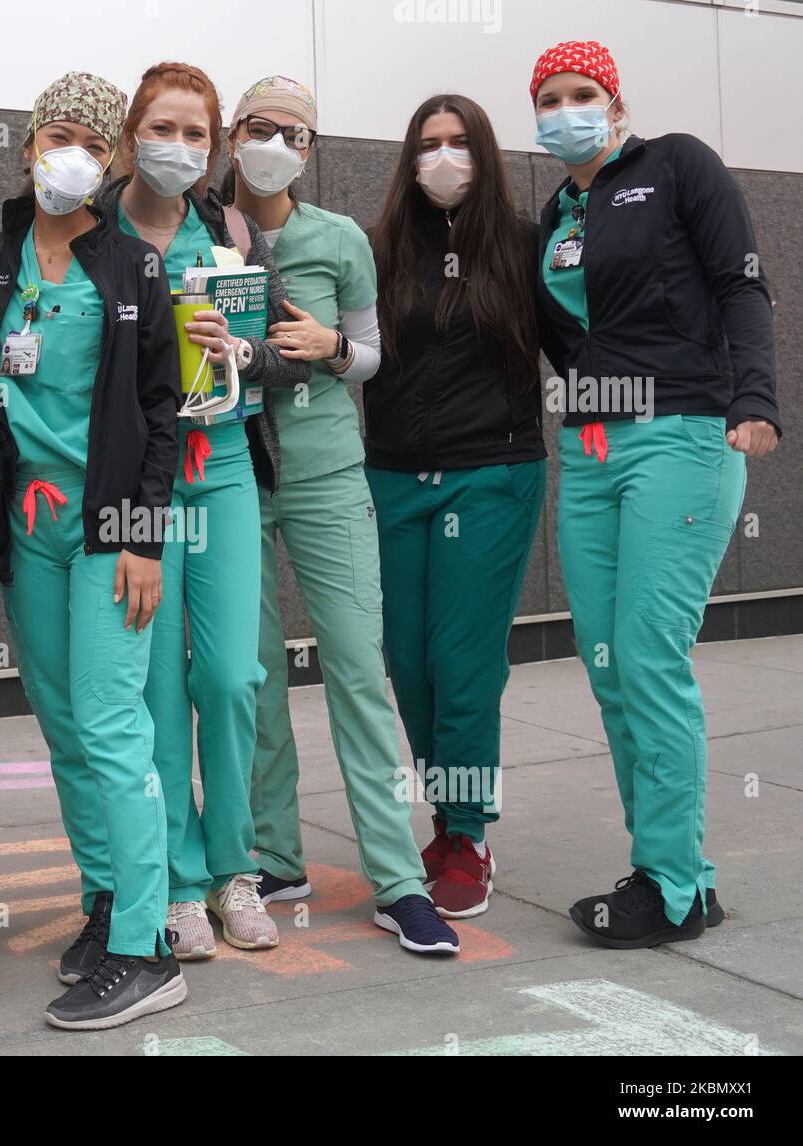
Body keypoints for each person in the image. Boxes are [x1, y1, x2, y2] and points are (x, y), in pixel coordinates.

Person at [530, 40, 780, 947]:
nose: (566, 109)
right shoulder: (555, 214)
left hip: (681, 434)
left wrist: (754, 399)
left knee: (647, 656)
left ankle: (677, 888)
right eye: (549, 97)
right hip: (589, 450)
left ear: (615, 99)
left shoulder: (678, 164)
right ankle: (663, 870)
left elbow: (743, 287)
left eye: (582, 92)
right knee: (608, 669)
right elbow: (561, 334)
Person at [229, 75, 459, 954]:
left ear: (311, 147)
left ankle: (398, 880)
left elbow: (370, 353)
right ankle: (272, 851)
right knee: (247, 675)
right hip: (235, 473)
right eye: (260, 126)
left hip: (327, 471)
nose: (275, 142)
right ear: (231, 131)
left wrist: (330, 349)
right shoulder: (209, 232)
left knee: (359, 670)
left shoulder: (340, 239)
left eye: (294, 132)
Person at [0, 72, 185, 1028]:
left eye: (90, 144)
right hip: (32, 528)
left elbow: (160, 410)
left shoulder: (132, 263)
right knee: (63, 726)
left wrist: (143, 533)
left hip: (112, 530)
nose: (72, 155)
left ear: (108, 163)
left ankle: (147, 947)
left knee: (112, 724)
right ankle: (106, 900)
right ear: (28, 144)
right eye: (56, 133)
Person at [94, 61, 310, 960]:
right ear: (130, 135)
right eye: (162, 128)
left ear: (214, 144)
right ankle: (178, 884)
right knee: (151, 687)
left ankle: (234, 868)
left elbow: (292, 352)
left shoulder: (228, 232)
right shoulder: (93, 230)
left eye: (196, 133)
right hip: (136, 476)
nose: (178, 148)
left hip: (218, 463)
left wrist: (247, 352)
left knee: (229, 678)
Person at [366, 94, 546, 919]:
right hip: (395, 478)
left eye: (460, 142)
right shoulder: (378, 249)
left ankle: (467, 833)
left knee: (463, 666)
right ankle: (444, 816)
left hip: (492, 476)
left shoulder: (522, 246)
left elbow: (589, 334)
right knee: (407, 662)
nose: (444, 157)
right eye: (429, 144)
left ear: (487, 154)